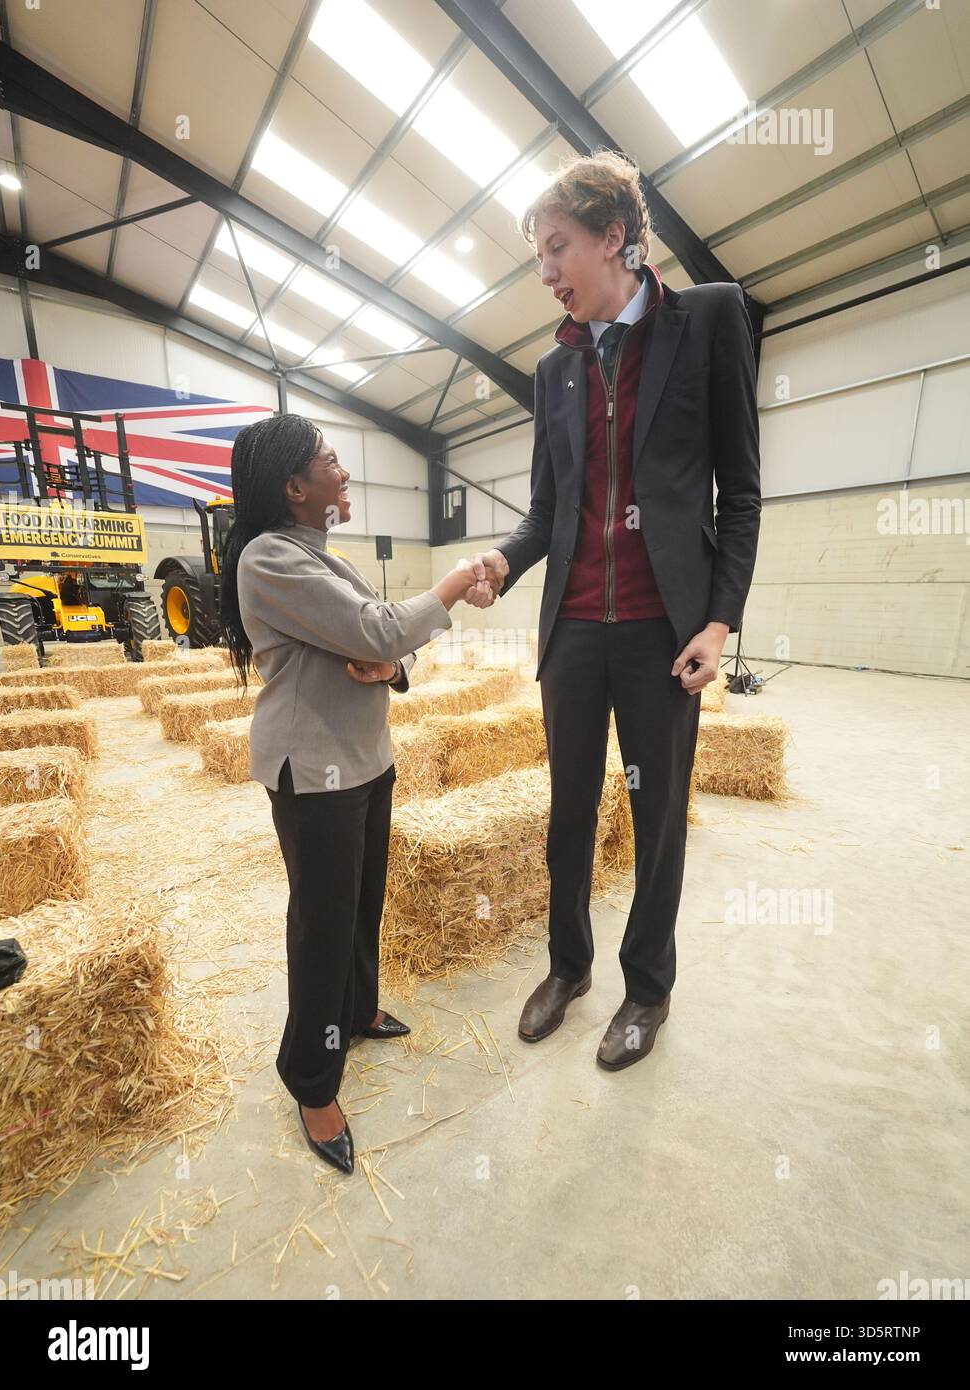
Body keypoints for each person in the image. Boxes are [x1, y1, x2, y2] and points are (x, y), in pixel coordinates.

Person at [472, 149, 761, 1071]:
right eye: (537, 257)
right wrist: (503, 561)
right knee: (569, 812)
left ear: (615, 237)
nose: (547, 273)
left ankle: (647, 988)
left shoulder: (709, 319)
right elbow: (547, 513)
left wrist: (719, 622)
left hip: (660, 630)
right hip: (572, 633)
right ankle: (569, 968)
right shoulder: (550, 373)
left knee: (657, 815)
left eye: (558, 248)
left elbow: (741, 495)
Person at [219, 414, 499, 1175]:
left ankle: (356, 1009)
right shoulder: (270, 559)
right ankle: (311, 1079)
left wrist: (395, 671)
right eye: (332, 463)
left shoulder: (316, 552)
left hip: (364, 760)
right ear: (294, 487)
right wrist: (455, 580)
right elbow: (378, 630)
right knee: (321, 921)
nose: (344, 474)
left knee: (363, 900)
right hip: (314, 775)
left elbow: (374, 649)